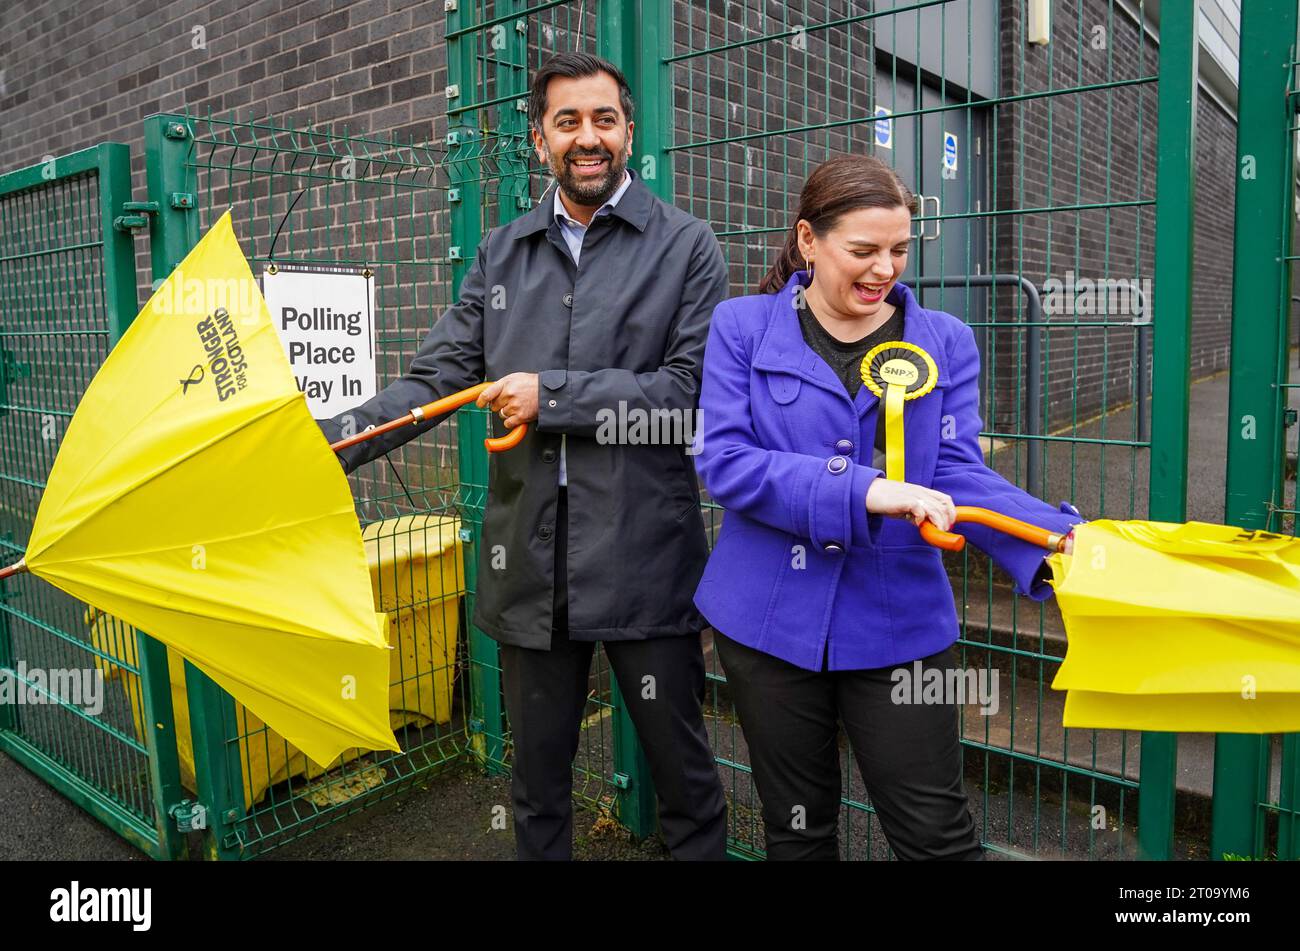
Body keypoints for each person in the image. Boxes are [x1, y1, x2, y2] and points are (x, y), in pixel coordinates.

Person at [318, 52, 729, 860]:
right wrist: (332, 441)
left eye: (603, 119)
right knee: (537, 790)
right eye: (567, 121)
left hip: (643, 551)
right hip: (530, 561)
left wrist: (555, 395)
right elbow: (434, 376)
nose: (587, 138)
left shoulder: (686, 246)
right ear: (539, 136)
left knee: (686, 781)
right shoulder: (503, 253)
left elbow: (686, 396)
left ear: (628, 132)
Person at [692, 155, 1084, 860]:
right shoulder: (741, 327)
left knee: (935, 835)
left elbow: (957, 468)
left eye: (899, 250)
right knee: (799, 832)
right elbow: (725, 461)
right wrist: (864, 489)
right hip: (766, 621)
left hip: (899, 624)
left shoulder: (946, 341)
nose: (884, 269)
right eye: (864, 250)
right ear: (808, 241)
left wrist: (1056, 537)